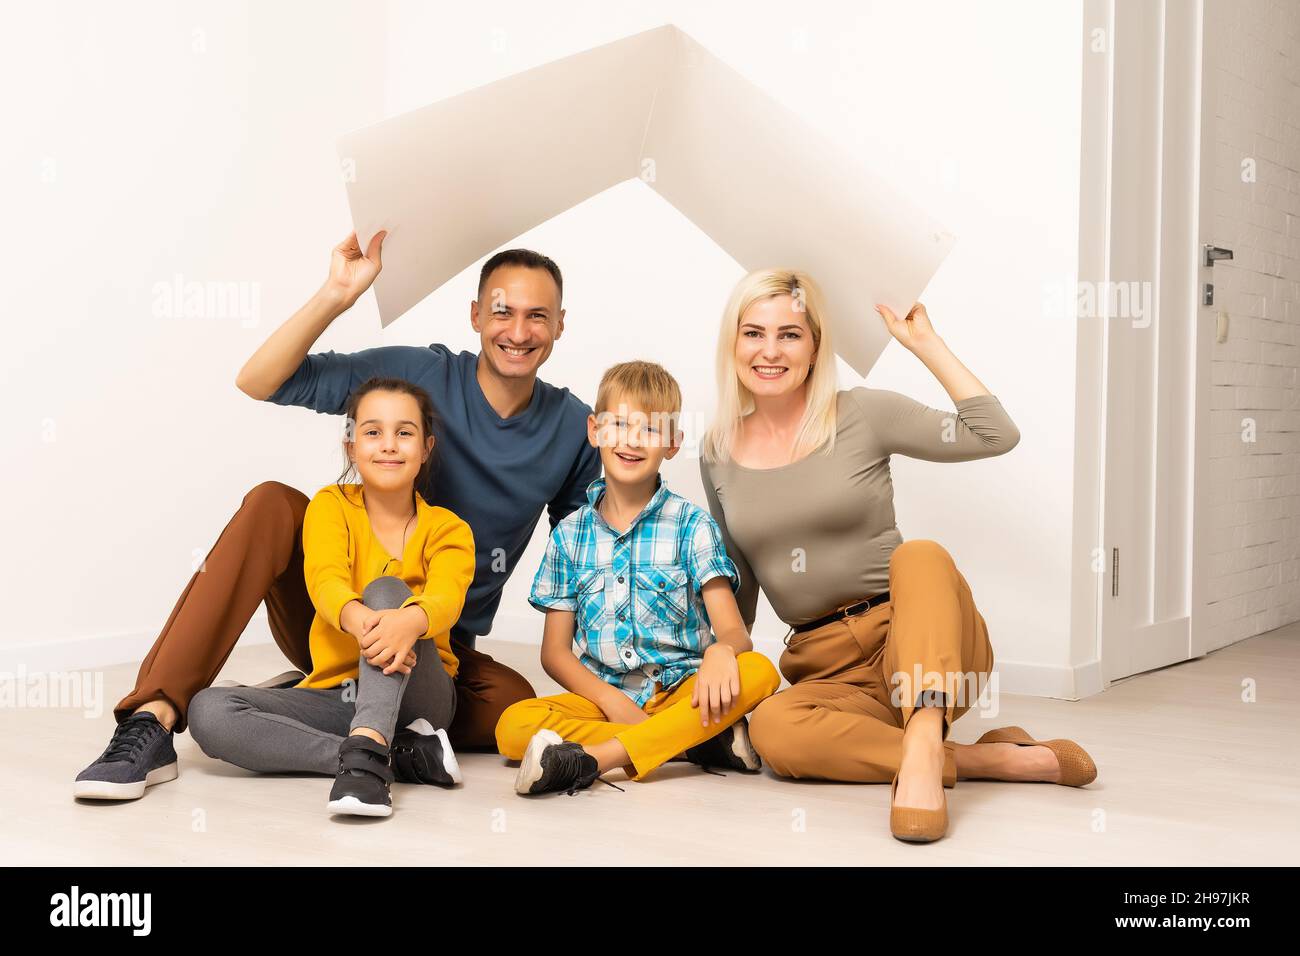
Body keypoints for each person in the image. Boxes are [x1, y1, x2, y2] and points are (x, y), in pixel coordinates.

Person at [74, 231, 599, 800]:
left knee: (516, 709)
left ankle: (344, 724)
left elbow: (588, 557)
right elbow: (260, 380)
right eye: (502, 312)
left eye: (537, 316)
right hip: (331, 618)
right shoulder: (417, 377)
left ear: (560, 325)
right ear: (475, 315)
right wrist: (335, 295)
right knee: (273, 503)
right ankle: (153, 718)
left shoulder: (574, 427)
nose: (518, 332)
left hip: (433, 648)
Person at [698, 269, 1097, 842]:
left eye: (789, 334)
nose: (769, 351)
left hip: (923, 638)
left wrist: (923, 343)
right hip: (828, 669)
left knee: (922, 556)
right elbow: (738, 585)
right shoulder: (717, 453)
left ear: (815, 345)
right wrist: (720, 654)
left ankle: (924, 748)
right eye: (753, 332)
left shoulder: (862, 412)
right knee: (775, 732)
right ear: (731, 343)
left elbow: (994, 434)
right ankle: (987, 760)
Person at [188, 378, 472, 817]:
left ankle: (368, 762)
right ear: (351, 447)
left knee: (387, 591)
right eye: (373, 432)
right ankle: (381, 756)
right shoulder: (330, 505)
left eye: (405, 432)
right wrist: (365, 623)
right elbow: (325, 580)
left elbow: (446, 597)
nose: (388, 446)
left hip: (421, 698)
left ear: (427, 447)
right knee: (210, 711)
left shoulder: (449, 528)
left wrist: (406, 622)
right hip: (341, 696)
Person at [495, 361, 780, 796]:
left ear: (672, 443)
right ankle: (691, 742)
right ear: (594, 430)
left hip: (684, 690)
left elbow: (732, 632)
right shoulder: (570, 535)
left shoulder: (692, 525)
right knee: (512, 727)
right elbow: (555, 653)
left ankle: (596, 760)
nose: (631, 439)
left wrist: (724, 652)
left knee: (757, 670)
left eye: (649, 429)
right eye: (619, 424)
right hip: (602, 699)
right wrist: (613, 703)